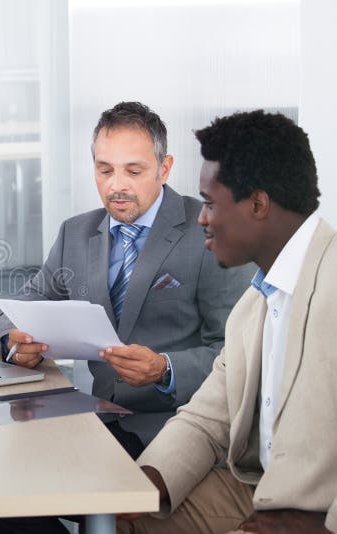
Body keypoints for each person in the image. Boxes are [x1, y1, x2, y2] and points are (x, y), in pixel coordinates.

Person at [119, 110, 336, 534]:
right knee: (124, 522)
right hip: (259, 491)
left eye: (210, 202)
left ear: (257, 204)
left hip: (320, 511)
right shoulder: (254, 306)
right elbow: (206, 419)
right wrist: (147, 483)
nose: (202, 219)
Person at [0, 102, 252, 454]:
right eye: (104, 170)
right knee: (5, 478)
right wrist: (13, 342)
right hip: (95, 420)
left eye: (133, 171)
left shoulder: (210, 231)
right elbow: (17, 307)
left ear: (165, 168)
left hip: (176, 428)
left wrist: (165, 368)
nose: (116, 186)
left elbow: (242, 352)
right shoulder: (77, 233)